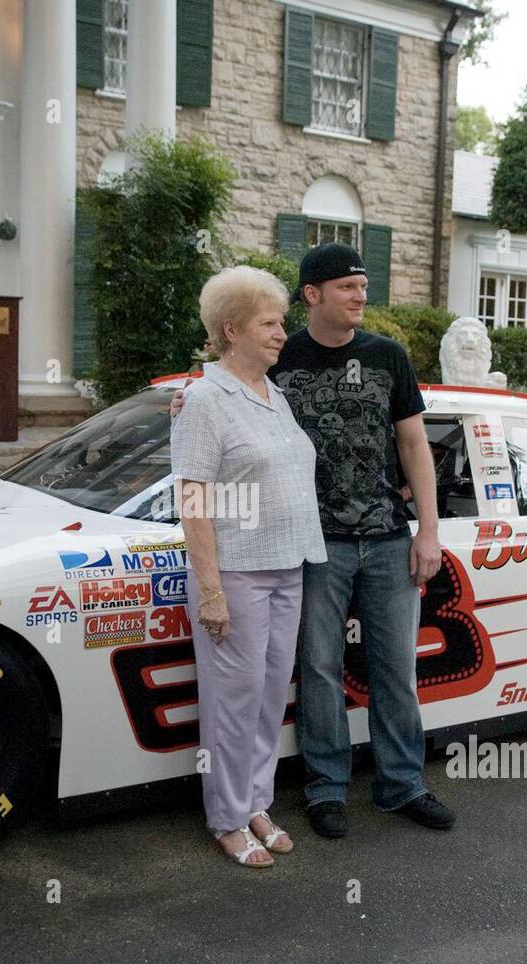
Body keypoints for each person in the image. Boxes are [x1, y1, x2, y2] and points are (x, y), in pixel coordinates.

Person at [172, 243, 455, 838]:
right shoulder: (279, 359)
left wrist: (429, 530)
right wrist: (183, 398)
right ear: (313, 294)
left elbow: (413, 446)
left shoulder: (387, 357)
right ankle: (325, 790)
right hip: (309, 547)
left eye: (363, 286)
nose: (361, 296)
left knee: (393, 668)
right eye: (349, 286)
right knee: (316, 670)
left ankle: (402, 784)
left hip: (381, 538)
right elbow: (223, 398)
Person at [171, 265, 326, 868]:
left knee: (265, 700)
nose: (282, 333)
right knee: (232, 702)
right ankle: (228, 817)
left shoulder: (275, 396)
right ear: (231, 330)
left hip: (288, 567)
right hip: (234, 573)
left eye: (282, 322)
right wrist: (210, 590)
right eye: (270, 323)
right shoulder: (205, 399)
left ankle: (257, 801)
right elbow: (194, 500)